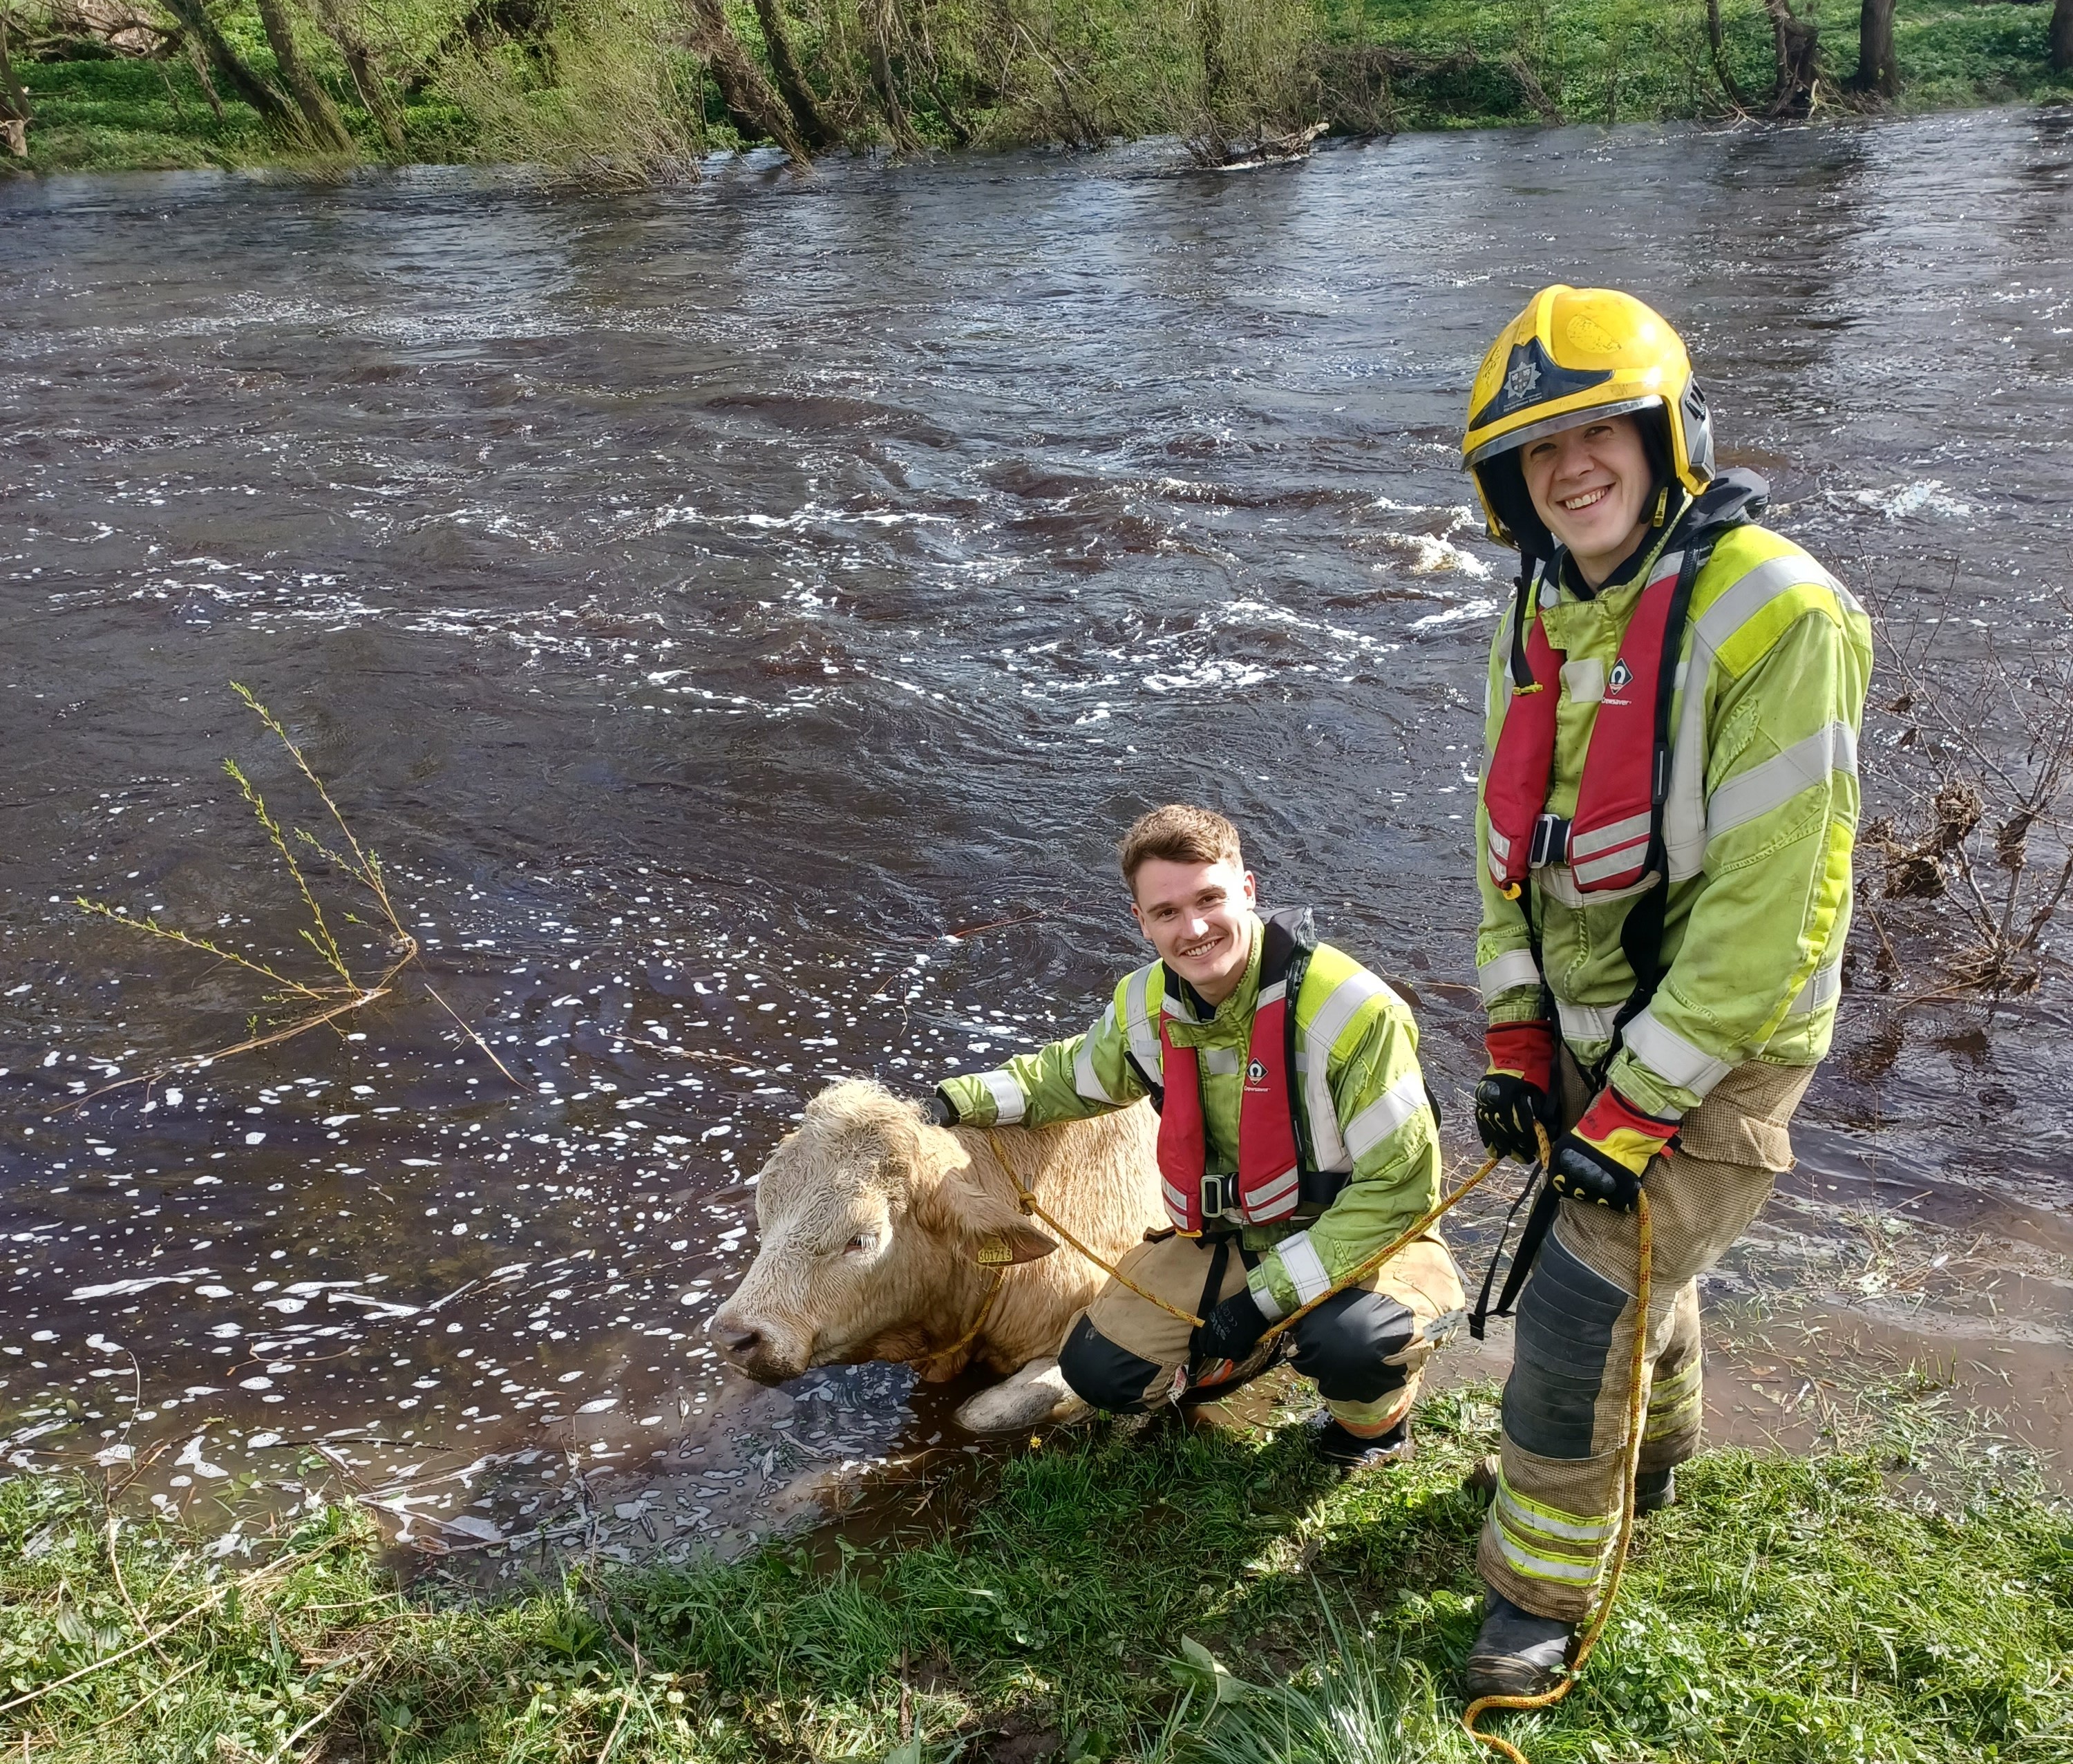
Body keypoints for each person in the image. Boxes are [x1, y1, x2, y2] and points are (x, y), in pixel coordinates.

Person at [1457, 285, 1872, 1695]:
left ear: (1667, 430)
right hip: (1591, 1019)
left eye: (1599, 431)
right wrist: (1519, 1032)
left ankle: (1538, 1598)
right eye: (1537, 448)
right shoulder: (1548, 595)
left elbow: (1768, 911)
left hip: (1724, 1038)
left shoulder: (1779, 610)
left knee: (1575, 1305)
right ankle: (1662, 1454)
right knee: (1639, 1263)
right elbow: (1505, 834)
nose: (1570, 466)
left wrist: (1638, 1103)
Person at [929, 804, 1464, 1468]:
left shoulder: (1356, 1010)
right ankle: (1248, 1354)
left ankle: (1374, 1428)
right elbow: (1065, 1077)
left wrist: (1263, 1301)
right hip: (1235, 1235)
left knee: (1355, 1343)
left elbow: (1396, 1194)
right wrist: (956, 1100)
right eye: (1167, 912)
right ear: (1141, 921)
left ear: (1248, 889)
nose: (1195, 928)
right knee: (1101, 1369)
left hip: (1365, 1234)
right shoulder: (1144, 1005)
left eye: (1209, 898)